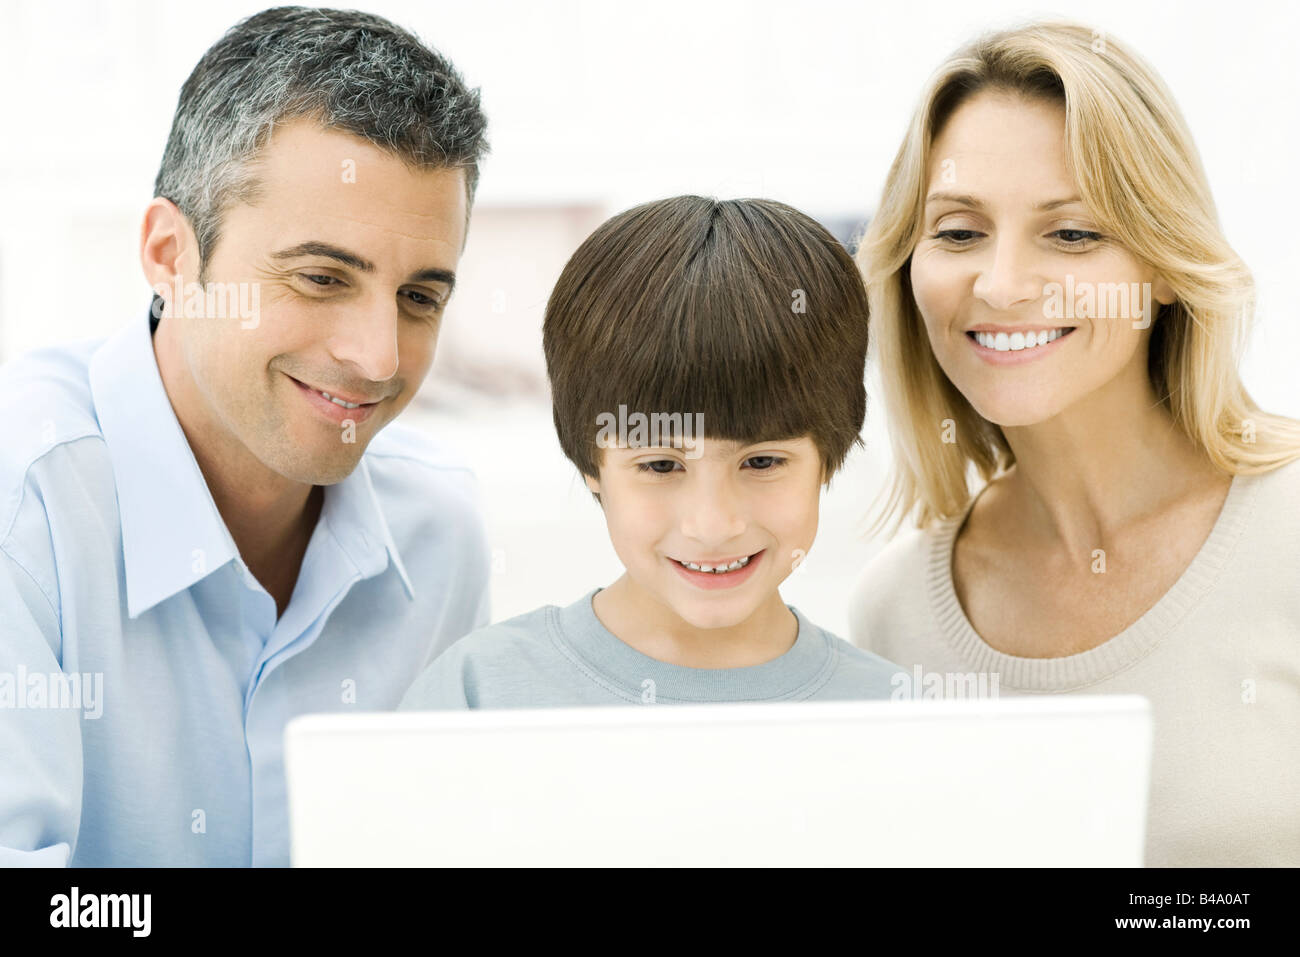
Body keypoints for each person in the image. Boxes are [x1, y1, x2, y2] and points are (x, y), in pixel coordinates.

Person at [0, 7, 492, 866]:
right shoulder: (26, 506)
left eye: (420, 298)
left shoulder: (440, 532)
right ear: (170, 256)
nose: (376, 358)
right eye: (320, 277)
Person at [848, 21, 1300, 866]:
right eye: (957, 231)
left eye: (1073, 233)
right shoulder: (895, 611)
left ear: (1165, 266)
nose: (1003, 284)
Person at [400, 195, 902, 711]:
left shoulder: (897, 712)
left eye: (762, 462)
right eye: (661, 465)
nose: (711, 526)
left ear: (831, 456)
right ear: (590, 463)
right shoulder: (479, 692)